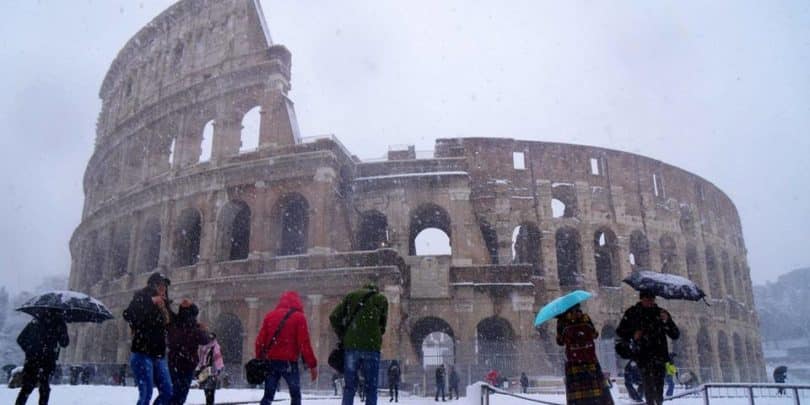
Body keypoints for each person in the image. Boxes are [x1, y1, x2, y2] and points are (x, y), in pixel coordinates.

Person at [255, 291, 318, 405]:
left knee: (268, 395)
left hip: (271, 361)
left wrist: (259, 356)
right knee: (295, 395)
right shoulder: (299, 317)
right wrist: (312, 365)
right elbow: (304, 343)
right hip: (289, 362)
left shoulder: (270, 316)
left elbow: (260, 340)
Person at [330, 283, 389, 405]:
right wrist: (375, 334)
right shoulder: (381, 299)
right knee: (371, 387)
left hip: (352, 348)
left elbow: (334, 316)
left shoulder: (351, 296)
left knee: (349, 386)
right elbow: (383, 325)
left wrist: (343, 333)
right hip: (372, 348)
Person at [617, 290, 679, 405]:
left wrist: (667, 321)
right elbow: (620, 332)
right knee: (648, 386)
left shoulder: (661, 313)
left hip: (659, 356)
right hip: (643, 356)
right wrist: (633, 334)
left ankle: (658, 402)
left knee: (659, 388)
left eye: (652, 300)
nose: (650, 302)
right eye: (647, 300)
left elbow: (675, 334)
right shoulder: (632, 313)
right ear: (641, 299)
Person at [123, 271, 175, 405]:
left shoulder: (164, 305)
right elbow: (128, 314)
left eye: (165, 286)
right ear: (153, 285)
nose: (163, 288)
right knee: (146, 394)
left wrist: (189, 311)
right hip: (142, 352)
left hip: (158, 354)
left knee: (168, 391)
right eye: (160, 285)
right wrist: (151, 301)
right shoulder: (141, 297)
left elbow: (173, 323)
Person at [555, 303, 613, 405]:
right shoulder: (585, 318)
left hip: (573, 363)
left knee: (577, 395)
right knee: (596, 390)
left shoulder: (562, 321)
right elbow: (595, 335)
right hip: (590, 360)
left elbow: (560, 342)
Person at [14, 310, 69, 405]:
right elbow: (64, 343)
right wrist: (61, 332)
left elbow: (20, 339)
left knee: (27, 387)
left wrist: (29, 350)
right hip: (48, 360)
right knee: (44, 388)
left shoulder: (35, 321)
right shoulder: (59, 323)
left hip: (32, 360)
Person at [167, 300, 209, 405]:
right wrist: (203, 330)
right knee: (181, 393)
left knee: (175, 392)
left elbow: (171, 340)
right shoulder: (194, 328)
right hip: (188, 363)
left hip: (174, 361)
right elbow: (205, 340)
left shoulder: (175, 323)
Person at [196, 332, 224, 405]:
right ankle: (209, 403)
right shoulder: (205, 346)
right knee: (207, 390)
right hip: (207, 370)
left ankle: (209, 403)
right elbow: (201, 358)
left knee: (209, 391)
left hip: (210, 371)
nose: (210, 339)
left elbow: (218, 359)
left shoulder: (214, 347)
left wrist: (218, 369)